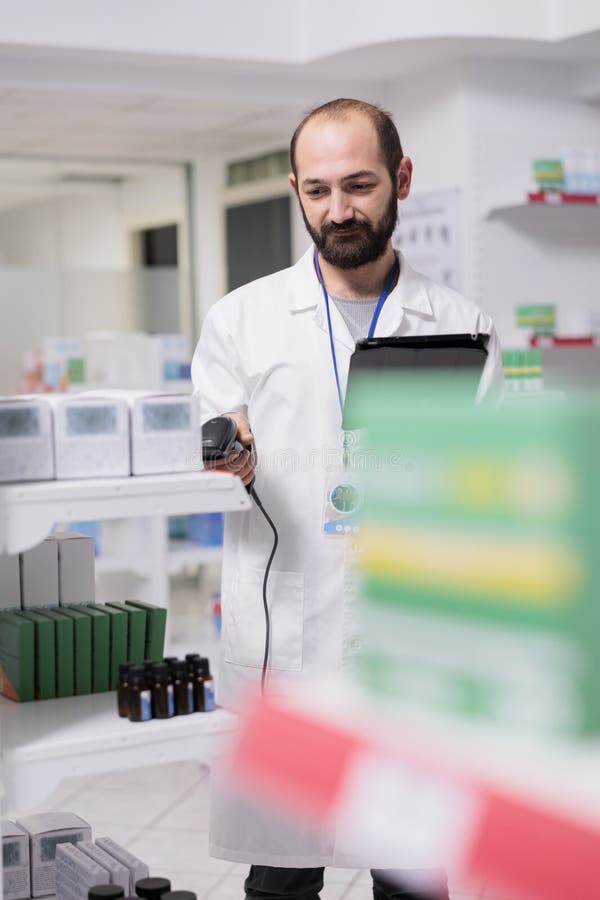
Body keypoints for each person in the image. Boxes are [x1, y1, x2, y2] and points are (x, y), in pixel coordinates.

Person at [192, 98, 504, 900]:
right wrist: (230, 456)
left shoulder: (461, 324)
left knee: (411, 874)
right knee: (284, 874)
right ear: (296, 189)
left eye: (360, 185)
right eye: (318, 190)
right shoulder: (243, 321)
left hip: (410, 639)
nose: (339, 211)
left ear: (401, 179)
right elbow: (207, 450)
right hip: (291, 637)